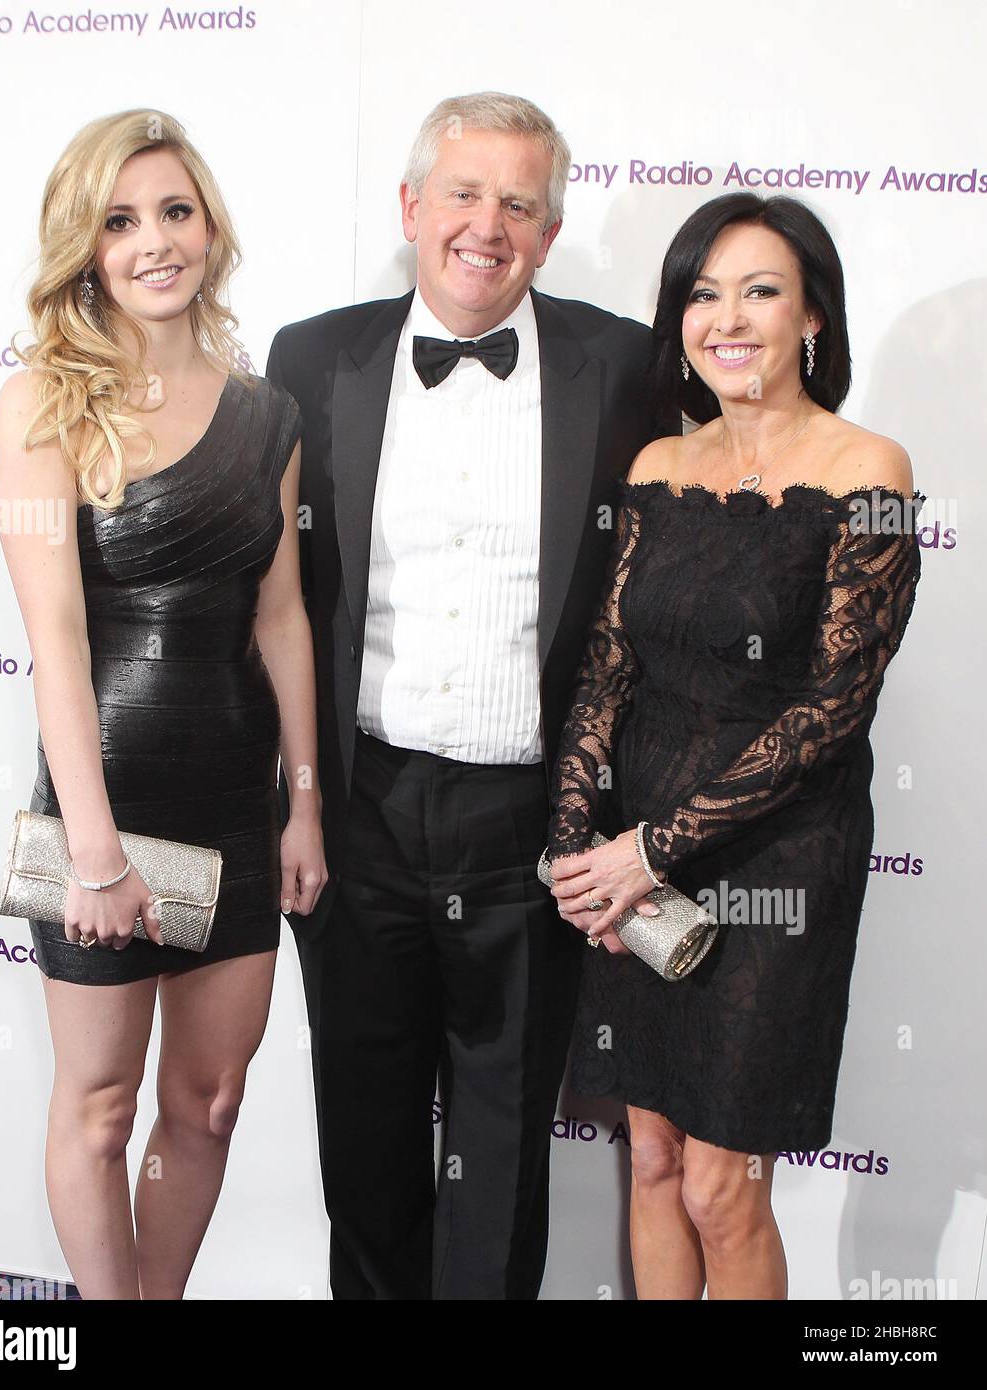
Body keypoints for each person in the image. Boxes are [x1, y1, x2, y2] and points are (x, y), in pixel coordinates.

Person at [266, 91, 674, 1299]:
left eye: (519, 203)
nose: (486, 225)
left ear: (549, 234)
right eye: (462, 191)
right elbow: (281, 604)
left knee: (501, 1153)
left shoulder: (624, 364)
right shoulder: (310, 356)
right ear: (409, 208)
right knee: (366, 1139)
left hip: (533, 828)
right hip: (360, 810)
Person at [544, 191, 923, 1299]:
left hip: (776, 863)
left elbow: (833, 706)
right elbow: (608, 669)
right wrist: (579, 848)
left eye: (761, 289)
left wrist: (649, 852)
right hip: (632, 860)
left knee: (721, 1182)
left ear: (813, 314)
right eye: (704, 293)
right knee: (652, 1157)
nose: (729, 317)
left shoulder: (876, 471)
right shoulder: (658, 466)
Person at [0, 108, 324, 1299]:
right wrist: (91, 851)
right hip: (106, 803)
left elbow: (279, 618)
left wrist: (304, 807)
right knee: (98, 1106)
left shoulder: (269, 414)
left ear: (210, 227)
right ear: (86, 247)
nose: (153, 242)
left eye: (174, 211)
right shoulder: (44, 405)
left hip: (239, 799)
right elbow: (56, 640)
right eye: (120, 220)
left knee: (209, 1102)